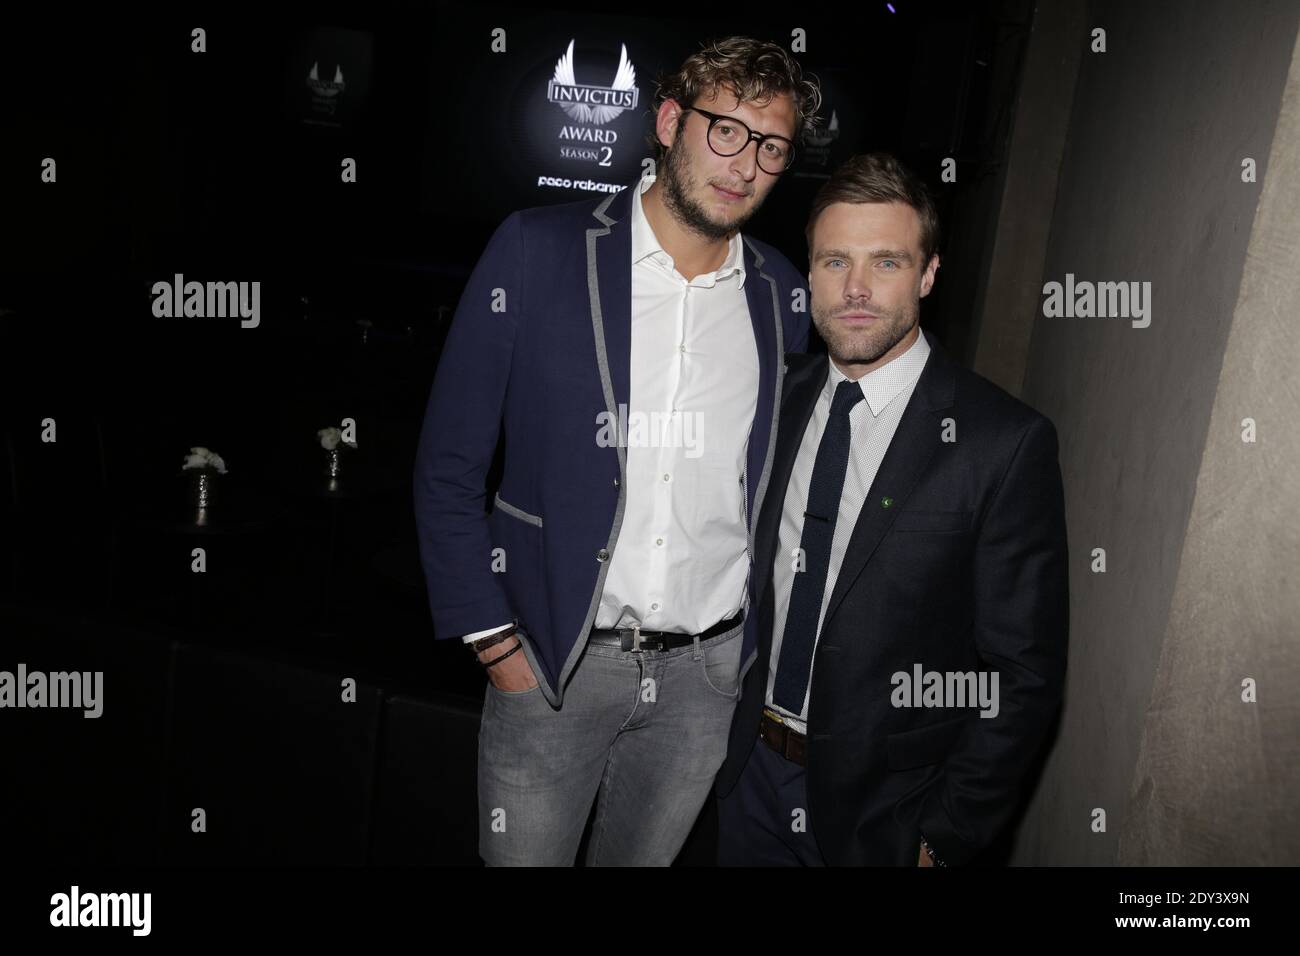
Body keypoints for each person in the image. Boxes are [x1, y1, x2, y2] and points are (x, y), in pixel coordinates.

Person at [413, 37, 821, 865]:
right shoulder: (537, 249)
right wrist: (495, 644)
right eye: (726, 131)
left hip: (707, 679)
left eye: (772, 147)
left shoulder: (780, 291)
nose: (745, 165)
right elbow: (448, 466)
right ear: (669, 123)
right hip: (552, 663)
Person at [714, 152, 1069, 866]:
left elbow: (1023, 673)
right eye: (835, 261)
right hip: (747, 781)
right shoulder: (771, 399)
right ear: (809, 273)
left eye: (886, 262)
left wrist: (946, 832)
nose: (856, 289)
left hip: (889, 814)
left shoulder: (1001, 441)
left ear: (928, 274)